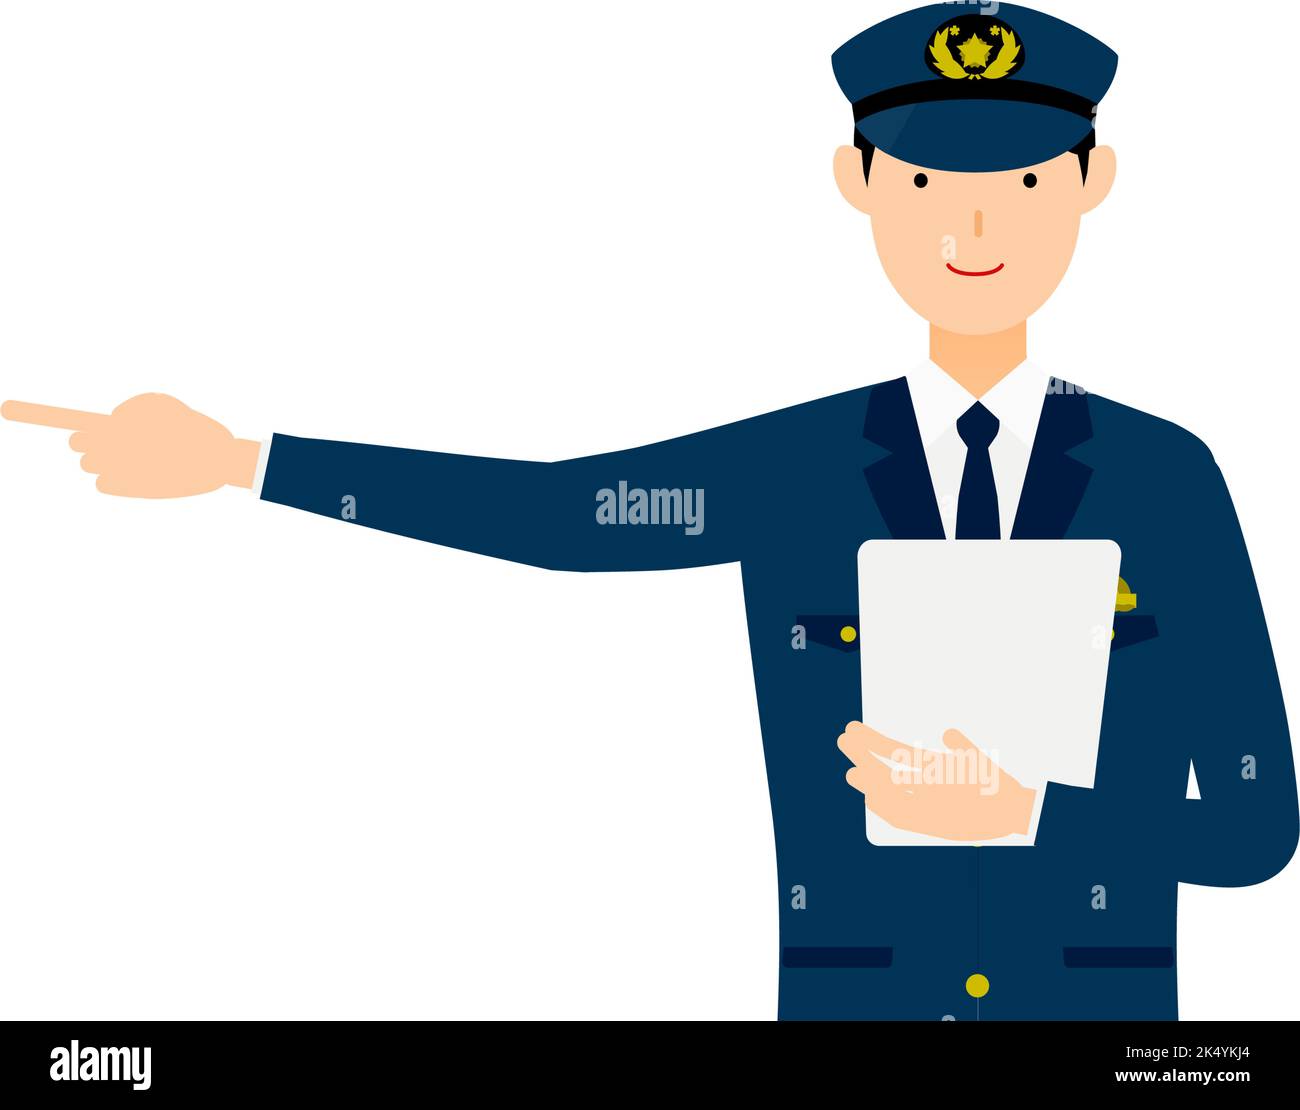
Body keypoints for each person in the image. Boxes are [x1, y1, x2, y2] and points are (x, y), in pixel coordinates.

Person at [5, 2, 1296, 1019]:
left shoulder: (1164, 479)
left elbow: (1252, 826)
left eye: (1019, 182)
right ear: (855, 182)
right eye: (921, 179)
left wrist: (1025, 811)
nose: (970, 221)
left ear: (1092, 180)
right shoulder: (796, 470)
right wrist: (248, 458)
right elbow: (566, 513)